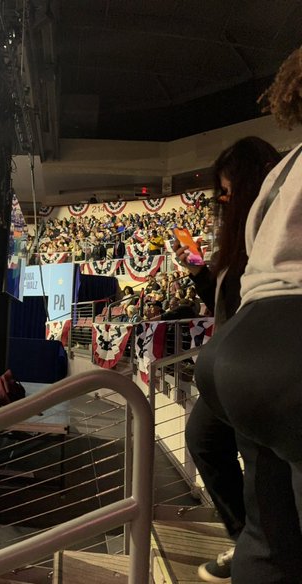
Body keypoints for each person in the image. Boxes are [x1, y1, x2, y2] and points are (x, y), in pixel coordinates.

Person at [196, 51, 302, 583]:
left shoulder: (283, 173)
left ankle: (247, 554)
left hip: (238, 356)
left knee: (270, 538)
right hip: (290, 354)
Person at [177, 136, 280, 582]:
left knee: (259, 465)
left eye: (226, 190)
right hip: (232, 371)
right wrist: (201, 274)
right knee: (204, 438)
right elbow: (225, 304)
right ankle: (246, 540)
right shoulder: (240, 240)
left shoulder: (271, 235)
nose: (221, 200)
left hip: (259, 370)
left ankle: (263, 553)